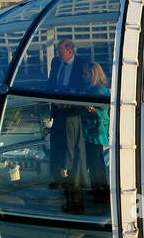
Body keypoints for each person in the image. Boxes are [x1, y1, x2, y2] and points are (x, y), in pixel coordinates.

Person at [47, 39, 87, 213]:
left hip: (72, 111)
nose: (57, 55)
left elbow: (85, 87)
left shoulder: (82, 64)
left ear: (70, 52)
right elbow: (50, 82)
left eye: (60, 52)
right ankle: (60, 177)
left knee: (69, 147)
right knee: (58, 144)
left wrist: (70, 99)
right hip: (59, 111)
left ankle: (73, 198)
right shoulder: (56, 63)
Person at [80, 61, 111, 202]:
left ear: (93, 75)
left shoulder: (101, 91)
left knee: (97, 162)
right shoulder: (90, 89)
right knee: (94, 163)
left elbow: (103, 111)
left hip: (96, 132)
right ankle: (96, 189)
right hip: (90, 131)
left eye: (86, 73)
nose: (83, 76)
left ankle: (101, 193)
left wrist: (90, 108)